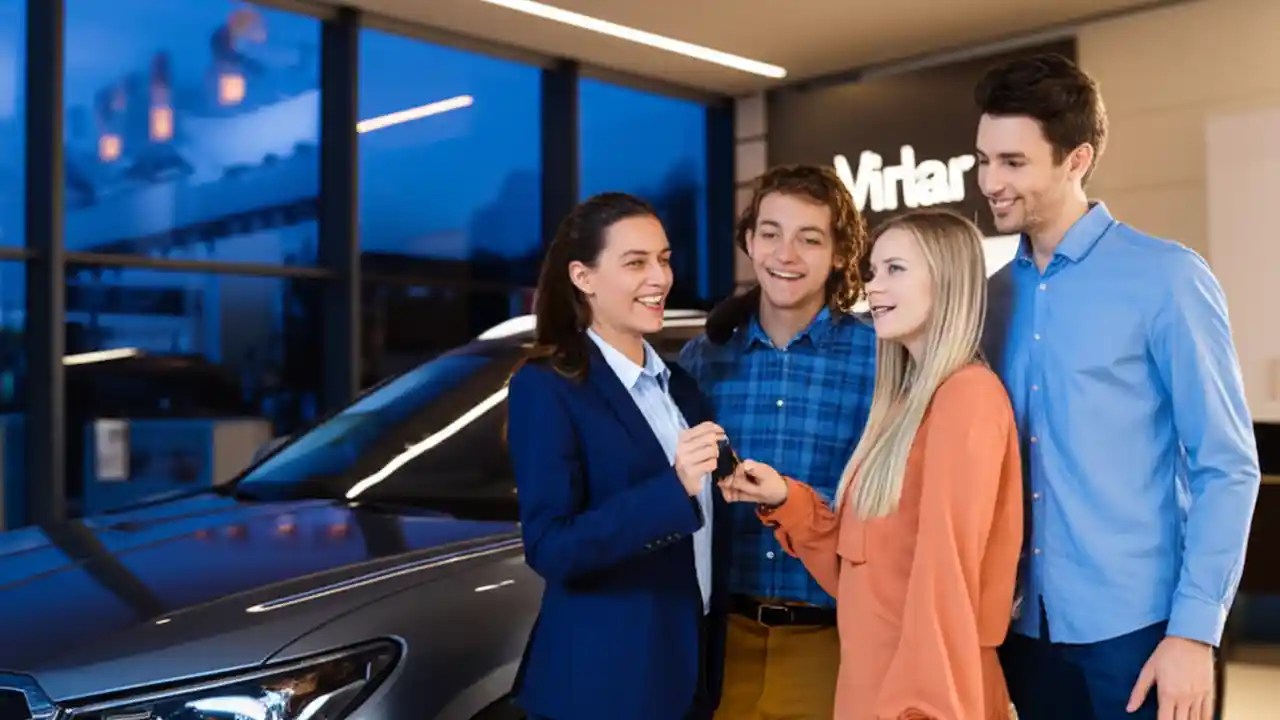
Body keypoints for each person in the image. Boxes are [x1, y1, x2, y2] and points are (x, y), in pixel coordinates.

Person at [975, 53, 1261, 720]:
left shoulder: (1167, 279)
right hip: (1024, 632)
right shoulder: (989, 300)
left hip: (1143, 631)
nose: (990, 181)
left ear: (1076, 159)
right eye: (983, 160)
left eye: (1012, 163)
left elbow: (1227, 466)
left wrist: (1193, 632)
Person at [718, 208, 1025, 720]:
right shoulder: (906, 404)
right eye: (875, 271)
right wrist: (787, 501)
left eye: (895, 270)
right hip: (875, 690)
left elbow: (945, 586)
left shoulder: (966, 398)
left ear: (947, 281)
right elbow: (863, 578)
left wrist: (919, 710)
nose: (873, 287)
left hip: (918, 700)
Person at [506, 192, 731, 720]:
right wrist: (673, 488)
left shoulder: (679, 386)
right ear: (583, 277)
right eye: (636, 263)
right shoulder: (548, 387)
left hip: (687, 675)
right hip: (603, 685)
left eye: (665, 258)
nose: (660, 278)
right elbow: (552, 547)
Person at [679, 164, 877, 720]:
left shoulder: (881, 359)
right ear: (749, 241)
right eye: (770, 233)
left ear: (839, 254)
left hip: (835, 641)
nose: (785, 254)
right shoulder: (703, 359)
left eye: (809, 238)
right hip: (723, 639)